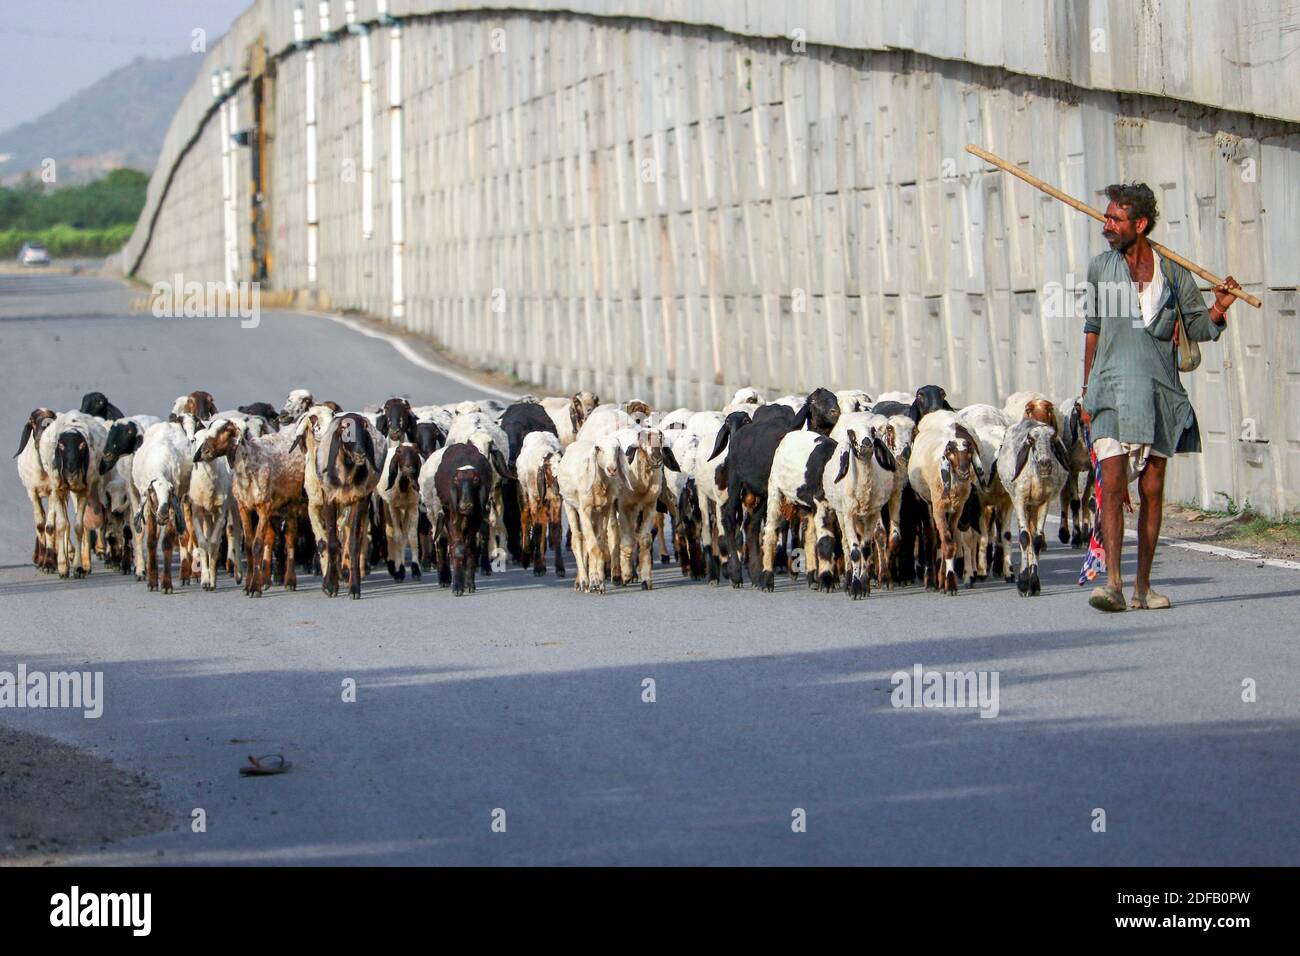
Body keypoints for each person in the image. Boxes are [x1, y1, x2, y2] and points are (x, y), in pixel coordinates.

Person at [1079, 182, 1241, 612]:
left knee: (1152, 489)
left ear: (1141, 223)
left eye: (1115, 219)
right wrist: (1086, 392)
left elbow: (1200, 328)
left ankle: (1142, 587)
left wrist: (1220, 307)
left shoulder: (1173, 273)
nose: (1106, 225)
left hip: (1159, 394)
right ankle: (1112, 584)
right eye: (1106, 217)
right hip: (1111, 391)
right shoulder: (1101, 268)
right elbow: (1092, 329)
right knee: (1111, 483)